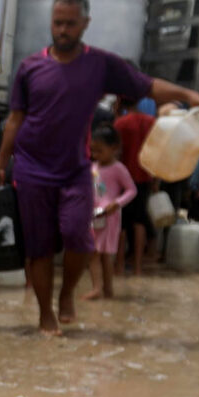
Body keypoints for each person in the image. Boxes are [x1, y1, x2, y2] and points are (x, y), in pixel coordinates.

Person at [0, 0, 199, 335]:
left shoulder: (101, 64)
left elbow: (148, 86)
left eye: (70, 24)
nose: (62, 30)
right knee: (39, 247)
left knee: (79, 236)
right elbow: (15, 119)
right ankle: (45, 314)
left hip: (75, 168)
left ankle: (67, 294)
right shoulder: (30, 67)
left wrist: (188, 94)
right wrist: (0, 163)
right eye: (57, 23)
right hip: (32, 167)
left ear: (85, 24)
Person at [86, 123, 137, 301]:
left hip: (110, 216)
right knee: (94, 252)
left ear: (114, 148)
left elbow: (132, 190)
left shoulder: (118, 168)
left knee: (103, 254)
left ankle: (103, 288)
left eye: (100, 151)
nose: (95, 155)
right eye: (93, 151)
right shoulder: (93, 167)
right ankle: (101, 288)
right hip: (94, 215)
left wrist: (116, 203)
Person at [113, 99, 156, 275]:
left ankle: (119, 265)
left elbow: (115, 151)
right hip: (144, 177)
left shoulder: (120, 123)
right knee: (140, 221)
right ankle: (138, 267)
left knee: (121, 224)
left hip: (123, 178)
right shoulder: (151, 122)